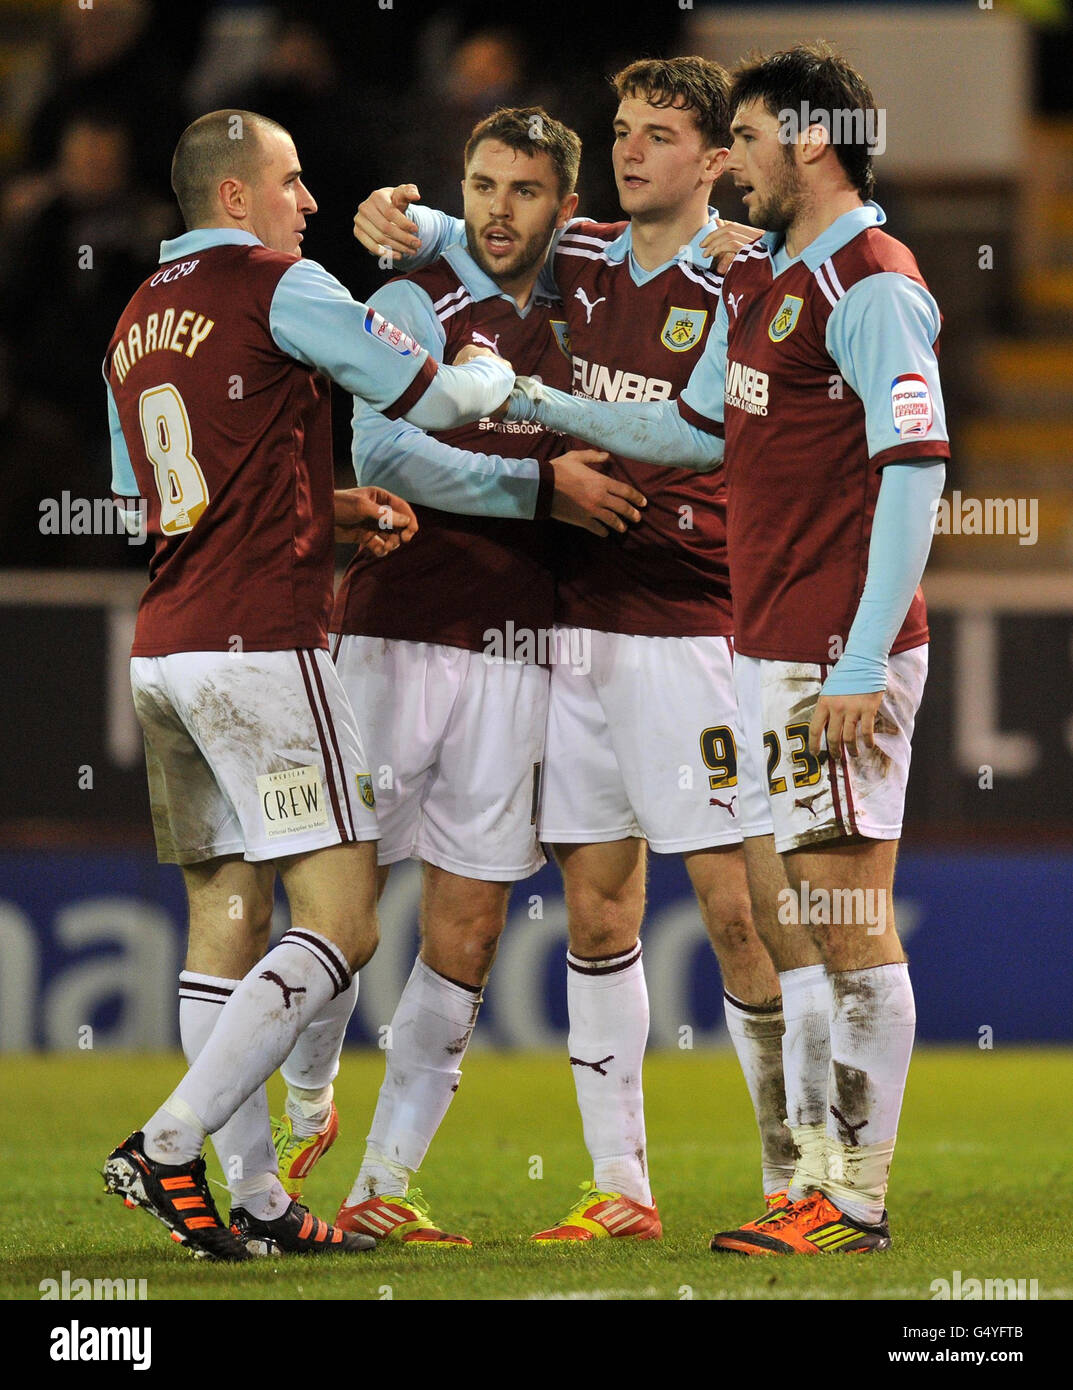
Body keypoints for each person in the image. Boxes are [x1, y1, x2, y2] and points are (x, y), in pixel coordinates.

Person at [495, 43, 950, 1253]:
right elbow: (693, 433)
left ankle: (851, 1199)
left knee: (845, 917)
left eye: (742, 139)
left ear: (805, 142)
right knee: (791, 910)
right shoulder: (775, 282)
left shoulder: (871, 280)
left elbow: (914, 473)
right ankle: (812, 1181)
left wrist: (857, 663)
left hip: (831, 655)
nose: (730, 162)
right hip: (765, 645)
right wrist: (532, 405)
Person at [352, 57, 799, 1242]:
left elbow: (692, 436)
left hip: (694, 624)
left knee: (737, 910)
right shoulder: (585, 255)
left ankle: (795, 1178)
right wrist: (399, 214)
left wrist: (543, 422)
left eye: (660, 133)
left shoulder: (741, 273)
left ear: (713, 161)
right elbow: (488, 225)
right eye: (621, 130)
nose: (631, 149)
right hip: (577, 629)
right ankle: (622, 1189)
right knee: (600, 910)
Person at [100, 108, 520, 1260]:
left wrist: (323, 508)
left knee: (224, 916)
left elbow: (156, 500)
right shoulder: (277, 282)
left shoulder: (133, 318)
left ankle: (261, 1202)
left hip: (166, 652)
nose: (308, 203)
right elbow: (431, 398)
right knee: (340, 917)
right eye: (290, 181)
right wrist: (485, 371)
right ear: (235, 199)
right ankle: (170, 1141)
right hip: (260, 648)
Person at [266, 106, 645, 1246]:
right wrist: (540, 487)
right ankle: (302, 1102)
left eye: (523, 190)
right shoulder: (409, 297)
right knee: (340, 903)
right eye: (479, 184)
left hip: (517, 652)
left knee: (468, 925)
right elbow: (381, 451)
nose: (495, 208)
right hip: (390, 632)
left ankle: (387, 1182)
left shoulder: (593, 313)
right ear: (459, 187)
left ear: (563, 208)